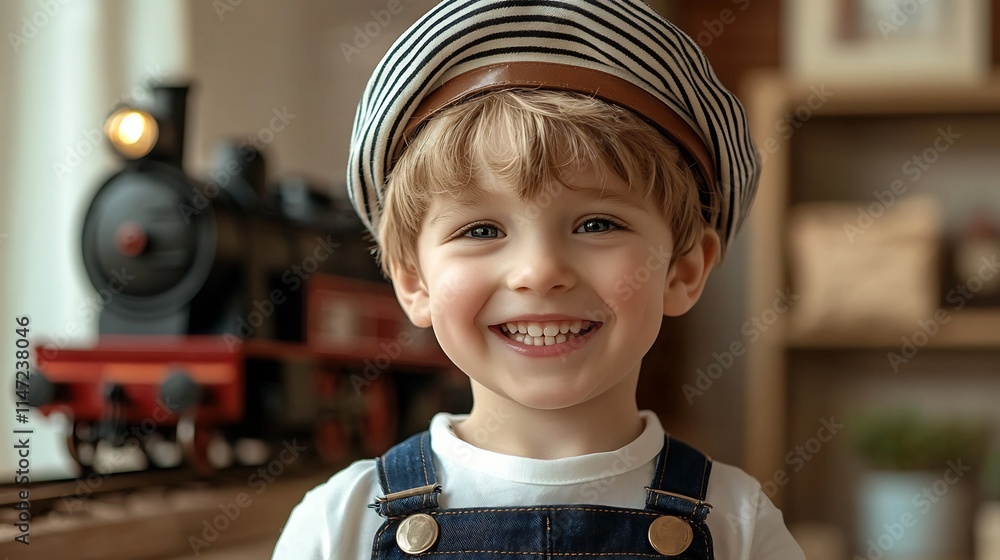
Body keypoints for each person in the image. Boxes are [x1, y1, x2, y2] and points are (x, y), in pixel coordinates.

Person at [273, 1, 805, 558]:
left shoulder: (738, 526)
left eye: (597, 223)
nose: (538, 271)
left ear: (684, 270)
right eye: (480, 230)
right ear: (414, 282)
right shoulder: (339, 523)